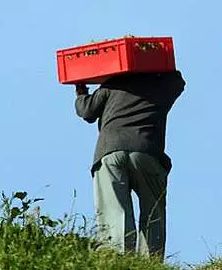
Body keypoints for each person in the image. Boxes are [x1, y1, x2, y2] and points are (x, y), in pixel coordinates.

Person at [74, 71, 186, 260]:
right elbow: (178, 82)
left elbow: (87, 112)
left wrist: (81, 92)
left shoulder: (112, 84)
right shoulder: (160, 86)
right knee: (153, 213)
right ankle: (151, 262)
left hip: (110, 151)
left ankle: (119, 259)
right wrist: (161, 66)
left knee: (115, 210)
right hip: (146, 152)